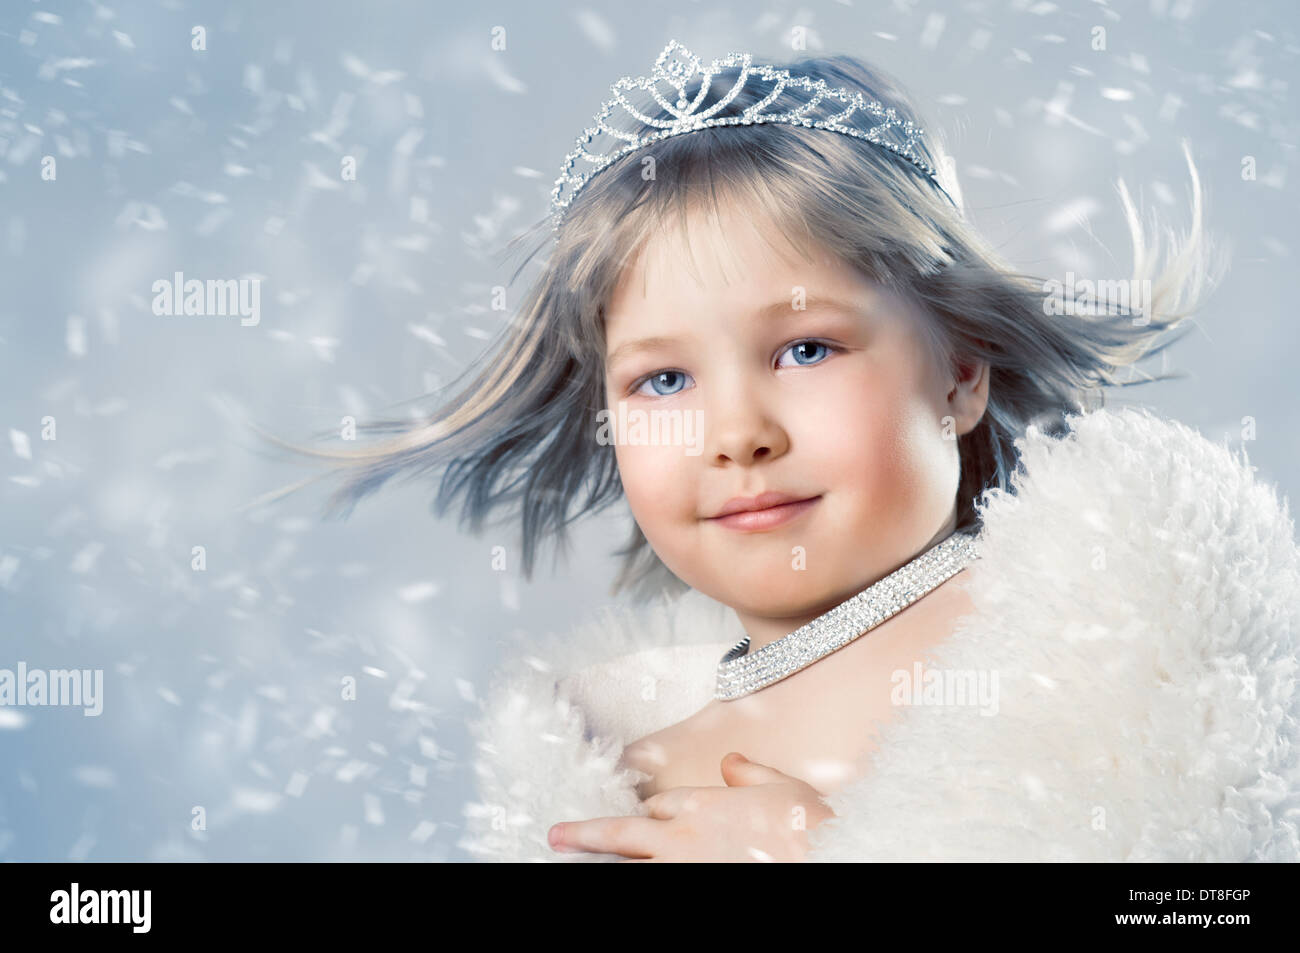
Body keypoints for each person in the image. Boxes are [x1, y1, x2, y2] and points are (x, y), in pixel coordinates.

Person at [271, 41, 1300, 861]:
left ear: (961, 369)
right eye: (662, 379)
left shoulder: (1131, 629)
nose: (737, 434)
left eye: (805, 346)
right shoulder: (607, 776)